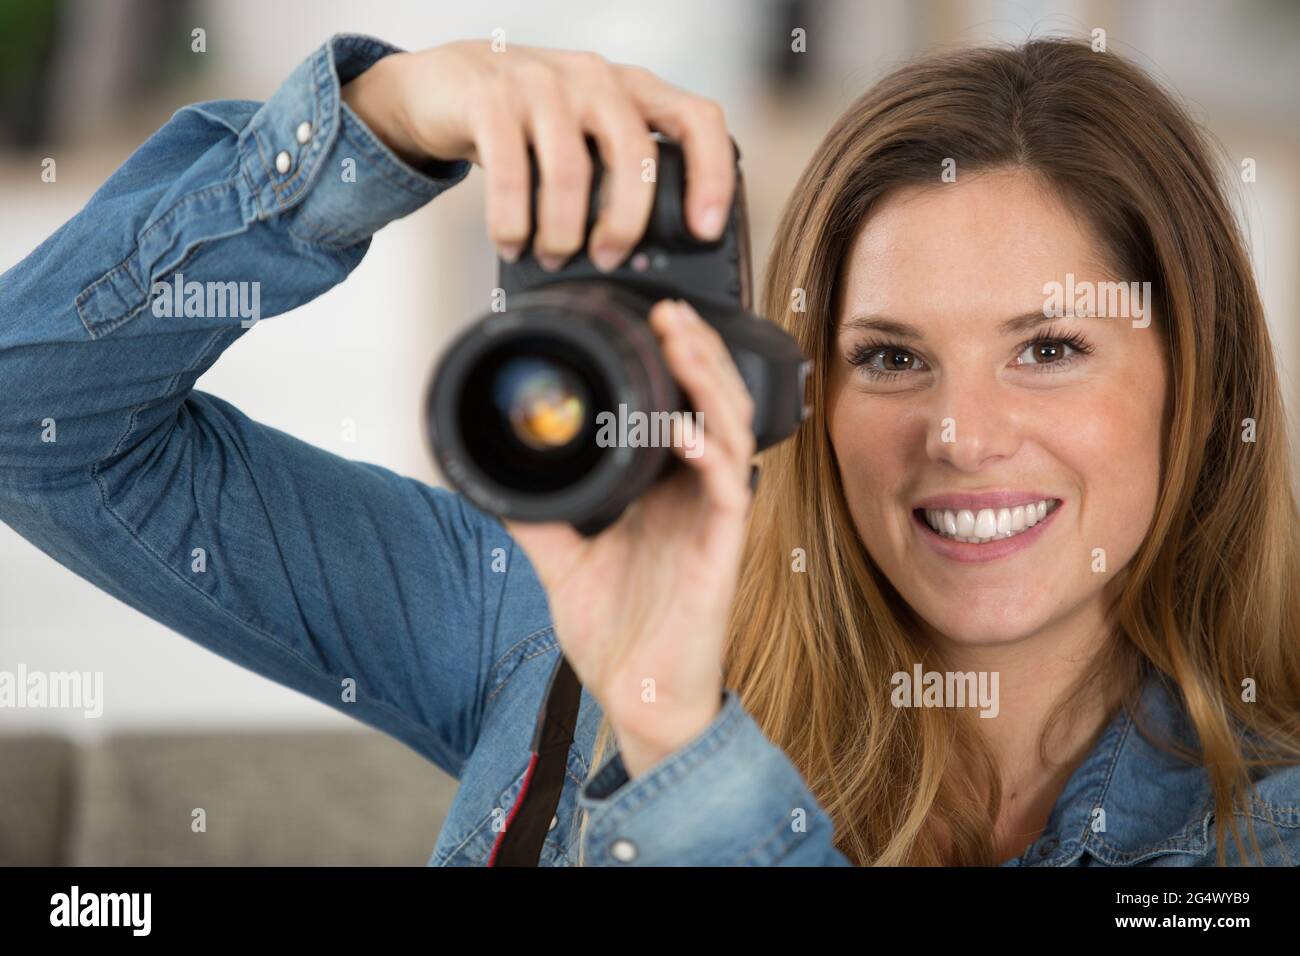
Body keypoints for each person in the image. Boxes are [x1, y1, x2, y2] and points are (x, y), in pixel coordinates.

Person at [1, 33, 1297, 867]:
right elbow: (38, 423)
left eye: (1051, 348)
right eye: (890, 358)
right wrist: (377, 124)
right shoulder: (543, 621)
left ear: (1199, 386)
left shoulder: (1261, 831)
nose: (963, 437)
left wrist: (682, 742)